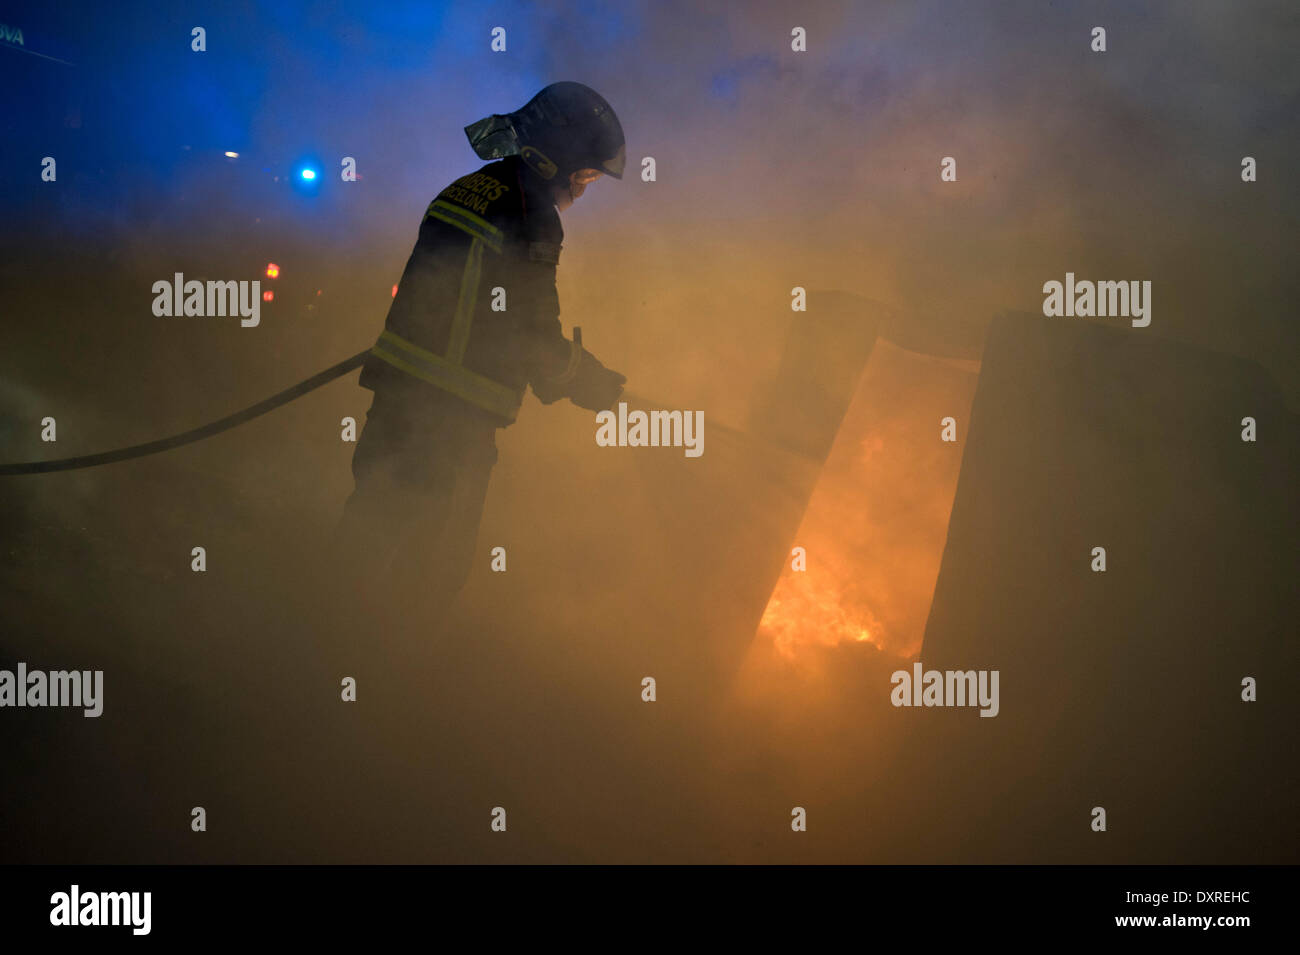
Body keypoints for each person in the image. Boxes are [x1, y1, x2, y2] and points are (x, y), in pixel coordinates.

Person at [334, 82, 629, 610]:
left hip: (398, 398)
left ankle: (311, 648)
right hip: (453, 419)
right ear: (554, 159)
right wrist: (585, 378)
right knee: (430, 568)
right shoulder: (532, 214)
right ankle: (382, 671)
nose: (582, 190)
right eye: (583, 175)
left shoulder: (467, 188)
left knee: (369, 529)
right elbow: (531, 330)